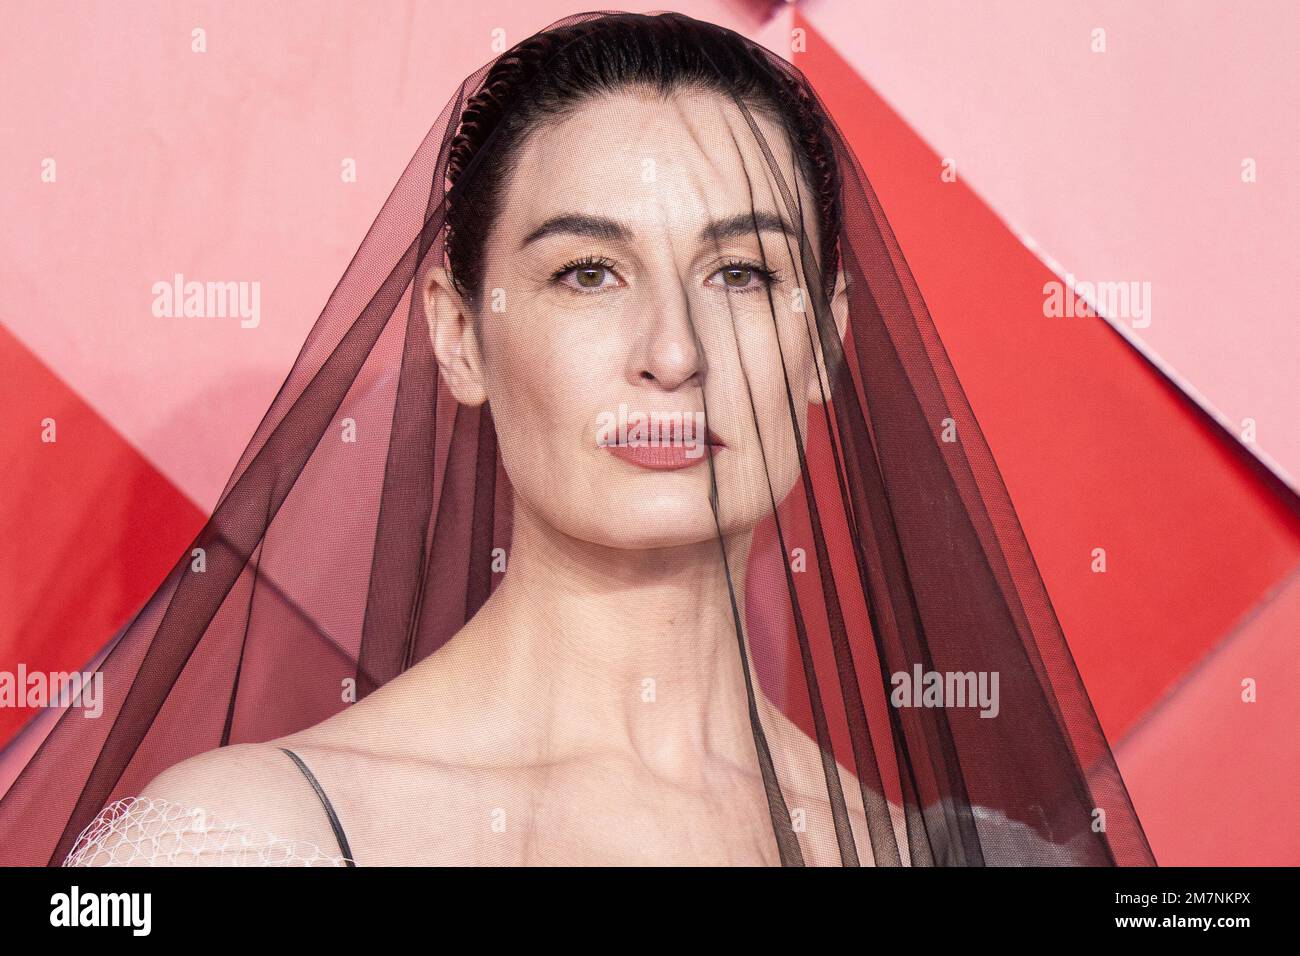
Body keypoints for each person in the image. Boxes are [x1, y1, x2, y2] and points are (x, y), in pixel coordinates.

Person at [1, 10, 1155, 866]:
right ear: (460, 335)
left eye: (743, 272)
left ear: (823, 342)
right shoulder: (235, 843)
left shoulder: (986, 863)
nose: (673, 348)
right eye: (587, 272)